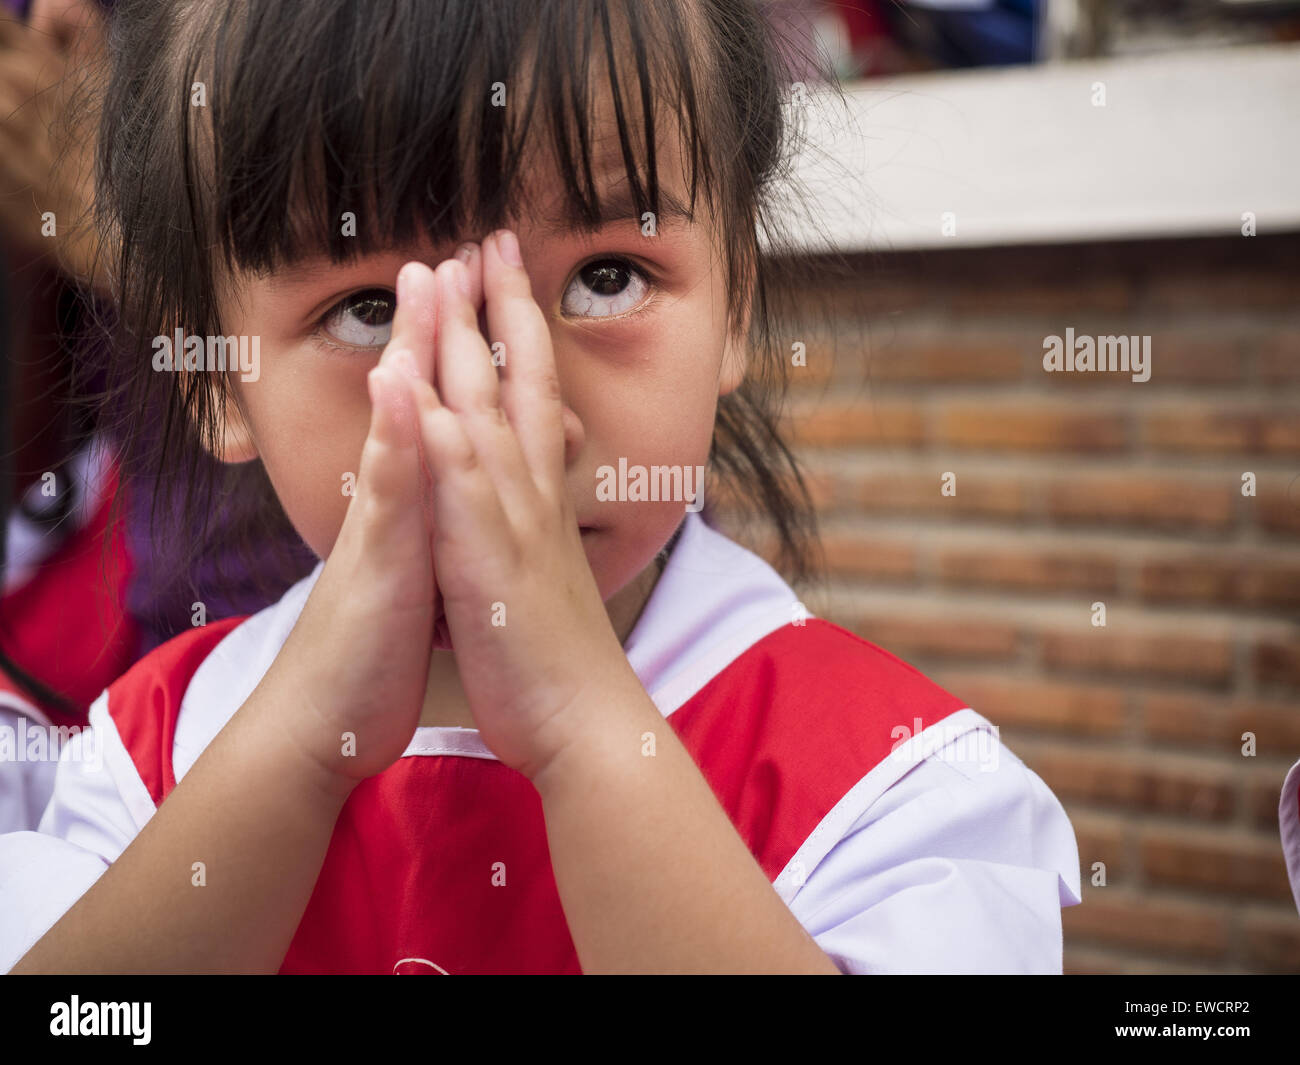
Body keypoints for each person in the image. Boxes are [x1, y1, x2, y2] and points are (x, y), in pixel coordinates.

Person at [0, 0, 1080, 974]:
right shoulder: (148, 761)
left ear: (737, 303)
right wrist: (294, 745)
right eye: (371, 310)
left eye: (606, 279)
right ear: (215, 378)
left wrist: (578, 725)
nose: (512, 419)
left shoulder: (880, 785)